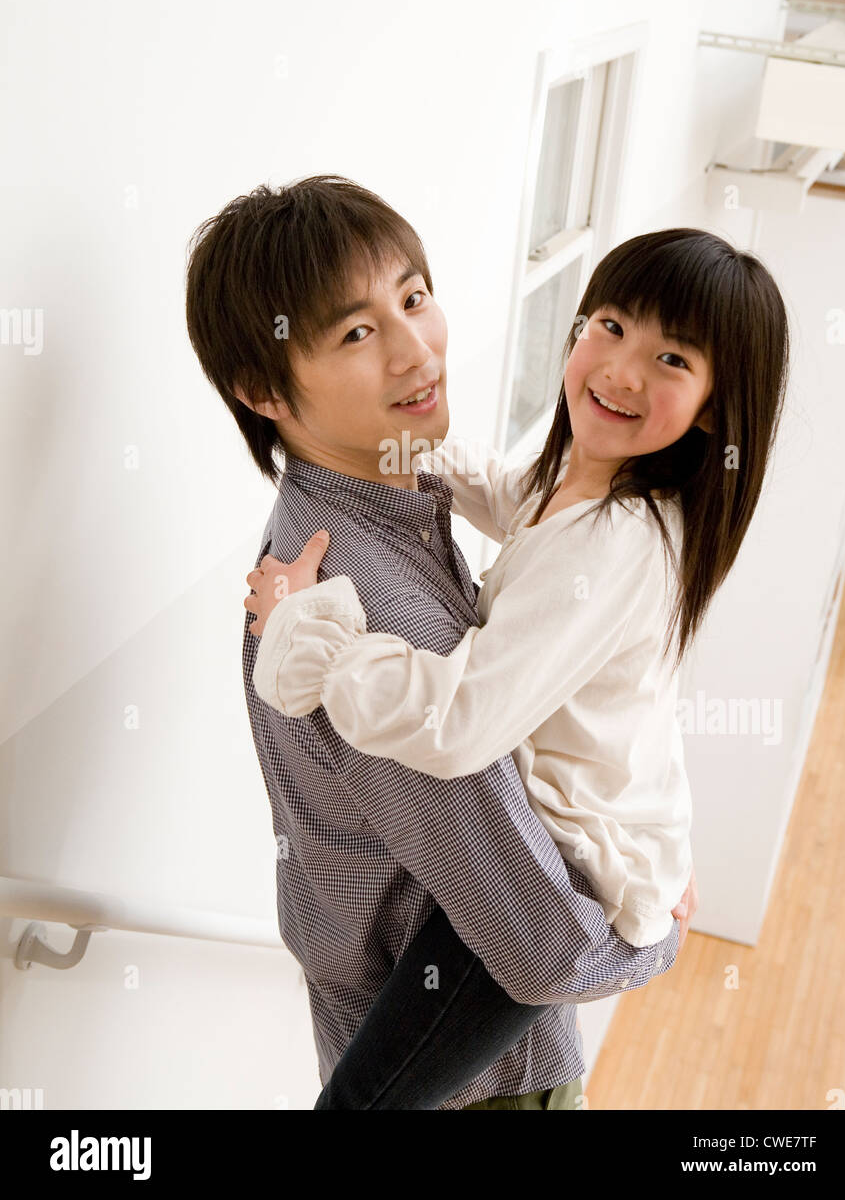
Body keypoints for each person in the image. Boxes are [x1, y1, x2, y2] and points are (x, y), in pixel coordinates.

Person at [244, 221, 790, 1109]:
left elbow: (455, 724)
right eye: (610, 326)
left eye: (673, 359)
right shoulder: (581, 480)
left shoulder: (618, 542)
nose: (621, 370)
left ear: (717, 409)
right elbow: (506, 492)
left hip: (567, 874)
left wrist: (312, 637)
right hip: (563, 867)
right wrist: (410, 438)